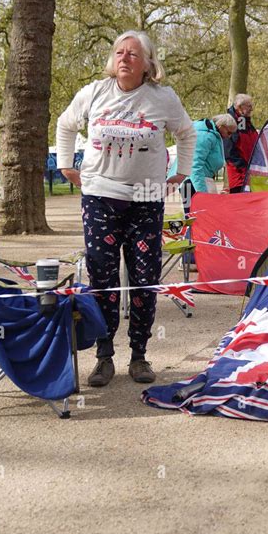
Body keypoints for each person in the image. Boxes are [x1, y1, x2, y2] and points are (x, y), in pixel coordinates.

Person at [56, 30, 196, 387]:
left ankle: (139, 355)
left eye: (133, 54)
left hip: (147, 199)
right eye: (119, 52)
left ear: (148, 63)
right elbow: (65, 124)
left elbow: (186, 132)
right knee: (102, 277)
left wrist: (181, 172)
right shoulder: (94, 93)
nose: (124, 58)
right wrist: (65, 165)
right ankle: (104, 356)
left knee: (143, 278)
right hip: (100, 195)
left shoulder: (162, 98)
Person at [170, 113, 237, 214]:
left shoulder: (211, 135)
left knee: (200, 218)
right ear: (221, 126)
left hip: (196, 181)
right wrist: (202, 193)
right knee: (197, 218)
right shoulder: (205, 136)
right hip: (192, 183)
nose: (229, 136)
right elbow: (194, 166)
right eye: (229, 132)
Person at [224, 93, 258, 193]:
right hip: (239, 176)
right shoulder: (230, 123)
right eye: (249, 106)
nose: (251, 109)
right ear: (239, 107)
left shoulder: (246, 123)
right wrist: (243, 167)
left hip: (249, 174)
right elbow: (229, 151)